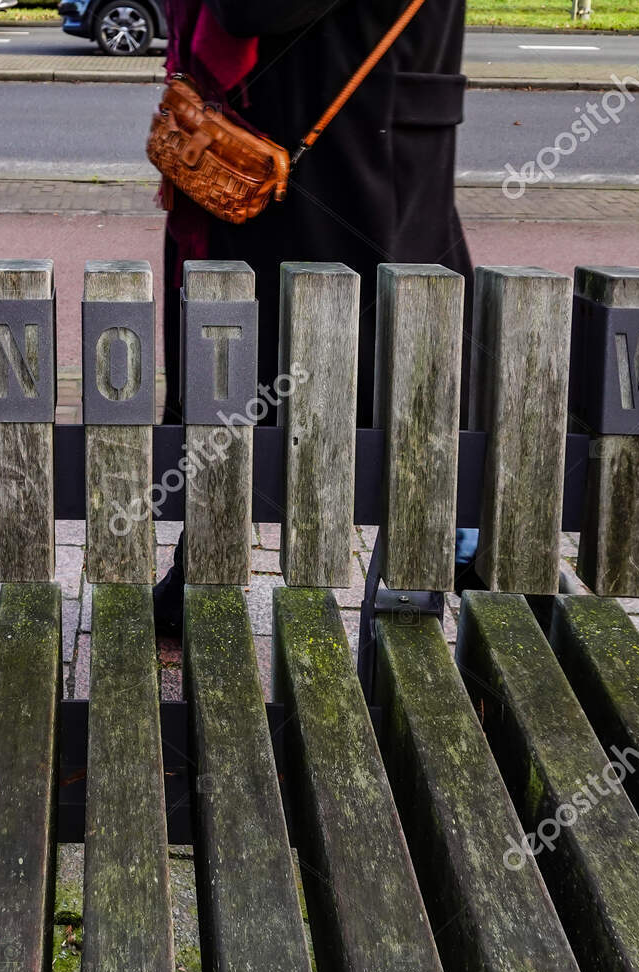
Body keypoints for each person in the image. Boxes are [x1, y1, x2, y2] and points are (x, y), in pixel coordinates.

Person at [154, 0, 475, 632]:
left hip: (336, 153)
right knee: (296, 367)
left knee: (304, 368)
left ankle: (465, 552)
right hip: (345, 142)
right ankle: (202, 567)